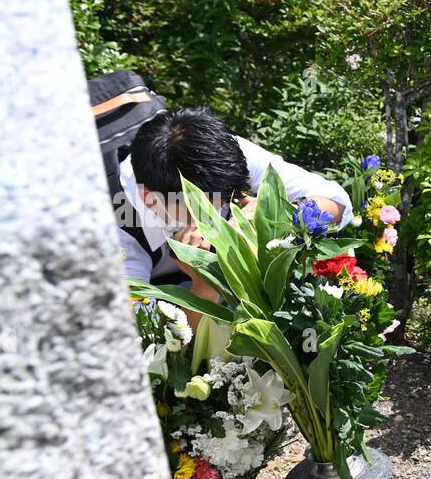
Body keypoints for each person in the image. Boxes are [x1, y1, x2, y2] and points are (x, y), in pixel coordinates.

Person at [121, 107, 353, 328]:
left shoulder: (219, 157)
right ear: (151, 200)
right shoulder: (116, 233)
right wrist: (206, 286)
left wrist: (273, 214)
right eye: (201, 210)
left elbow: (337, 202)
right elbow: (147, 338)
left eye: (225, 200)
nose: (217, 218)